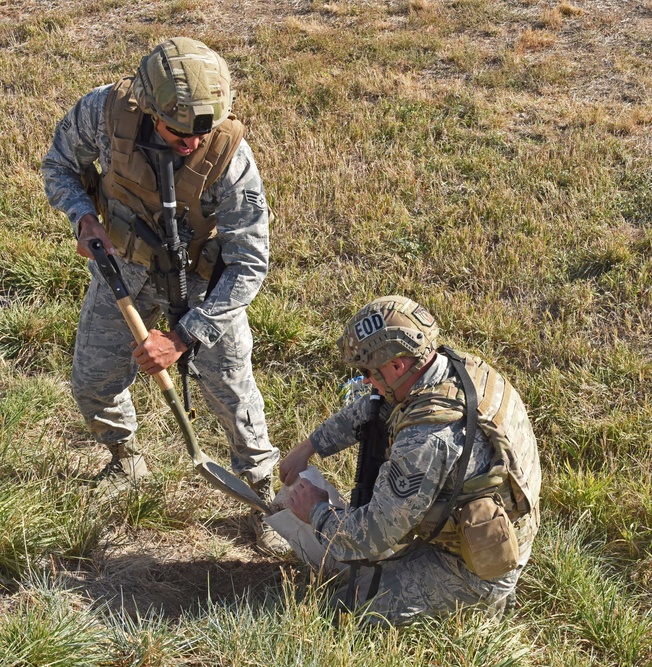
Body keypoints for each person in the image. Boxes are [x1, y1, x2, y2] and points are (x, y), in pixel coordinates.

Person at [41, 37, 283, 553]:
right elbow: (58, 165)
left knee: (234, 395)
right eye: (180, 131)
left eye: (205, 130)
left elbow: (249, 263)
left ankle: (264, 499)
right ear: (150, 109)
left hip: (201, 283)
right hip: (122, 266)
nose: (193, 143)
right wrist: (83, 219)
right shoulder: (105, 114)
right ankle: (125, 456)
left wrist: (183, 337)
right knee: (93, 380)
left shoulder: (231, 158)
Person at [279, 296, 541, 624]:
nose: (364, 381)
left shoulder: (429, 438)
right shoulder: (452, 369)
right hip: (478, 529)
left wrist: (315, 511)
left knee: (342, 610)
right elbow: (376, 407)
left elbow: (370, 536)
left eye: (367, 371)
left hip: (474, 564)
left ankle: (485, 606)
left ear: (397, 365)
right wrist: (312, 444)